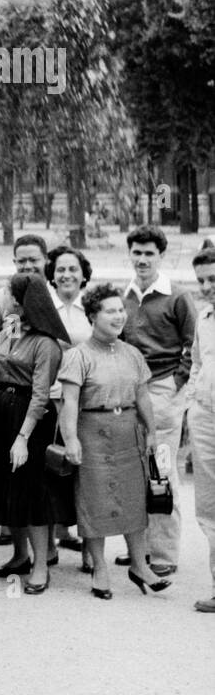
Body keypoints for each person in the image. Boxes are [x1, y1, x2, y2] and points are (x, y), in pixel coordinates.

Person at [58, 283, 167, 600]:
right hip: (92, 432)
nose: (118, 316)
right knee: (95, 501)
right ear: (93, 315)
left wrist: (152, 432)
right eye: (110, 310)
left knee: (134, 499)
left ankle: (139, 566)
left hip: (128, 431)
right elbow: (69, 403)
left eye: (121, 309)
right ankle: (100, 568)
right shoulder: (78, 356)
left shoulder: (132, 353)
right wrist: (71, 441)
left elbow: (143, 397)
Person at [0, 273, 72, 593]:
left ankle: (40, 565)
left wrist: (22, 438)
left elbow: (40, 396)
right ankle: (19, 555)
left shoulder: (46, 344)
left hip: (29, 419)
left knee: (32, 491)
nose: (3, 298)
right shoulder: (10, 324)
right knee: (10, 486)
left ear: (23, 302)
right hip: (4, 409)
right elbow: (0, 359)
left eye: (9, 294)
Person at [120, 225, 195, 577]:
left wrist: (177, 381)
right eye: (137, 253)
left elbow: (192, 346)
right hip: (131, 389)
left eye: (149, 253)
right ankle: (142, 549)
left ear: (161, 256)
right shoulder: (126, 295)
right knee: (136, 470)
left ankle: (163, 553)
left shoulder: (177, 296)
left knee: (159, 469)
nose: (143, 259)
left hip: (163, 389)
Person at [46, 243, 94, 564]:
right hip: (48, 400)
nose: (66, 275)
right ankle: (48, 544)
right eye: (60, 269)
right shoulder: (40, 307)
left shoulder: (92, 308)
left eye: (72, 269)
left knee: (86, 473)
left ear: (83, 275)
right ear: (52, 274)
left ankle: (91, 549)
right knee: (50, 469)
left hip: (85, 401)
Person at [184, 247, 215, 613]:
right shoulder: (204, 317)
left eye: (213, 280)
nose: (207, 287)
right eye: (202, 281)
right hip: (206, 419)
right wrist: (193, 404)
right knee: (209, 508)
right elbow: (195, 363)